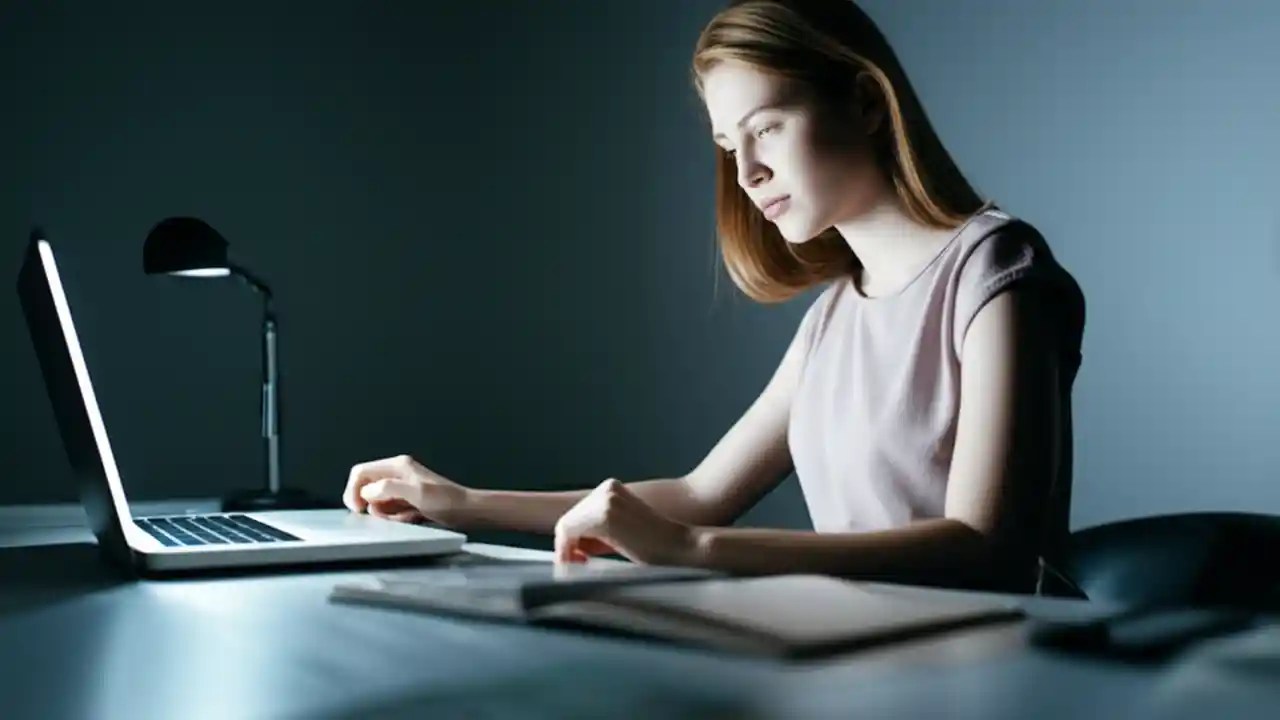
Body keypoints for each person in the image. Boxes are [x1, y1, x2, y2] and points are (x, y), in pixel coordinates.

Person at [341, 0, 1085, 594]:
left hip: (998, 671)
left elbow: (987, 547)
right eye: (731, 147)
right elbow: (699, 494)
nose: (748, 172)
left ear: (864, 100)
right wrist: (465, 503)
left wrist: (693, 549)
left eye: (768, 128)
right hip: (870, 657)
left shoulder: (996, 267)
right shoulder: (835, 314)